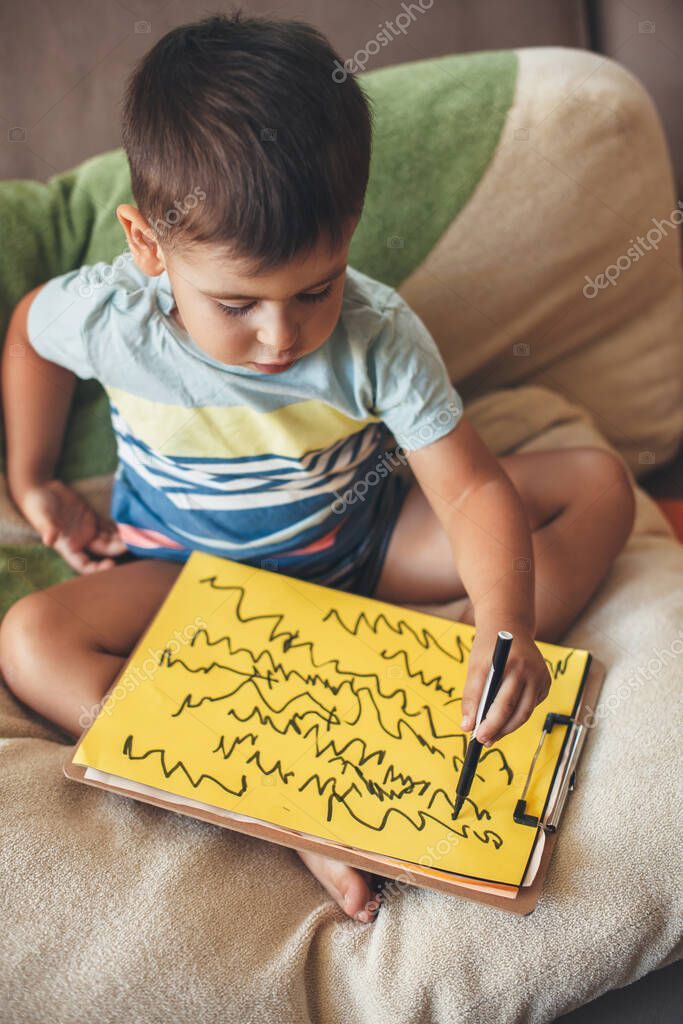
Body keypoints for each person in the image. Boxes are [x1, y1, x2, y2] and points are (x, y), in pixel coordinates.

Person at [0, 10, 635, 924]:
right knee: (30, 639)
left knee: (599, 485)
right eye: (236, 304)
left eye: (314, 289)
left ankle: (457, 672)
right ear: (147, 246)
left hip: (356, 548)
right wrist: (32, 479)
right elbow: (30, 331)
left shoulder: (378, 335)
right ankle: (276, 805)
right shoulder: (111, 320)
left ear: (348, 232)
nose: (280, 336)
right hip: (180, 576)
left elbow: (467, 489)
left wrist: (505, 623)